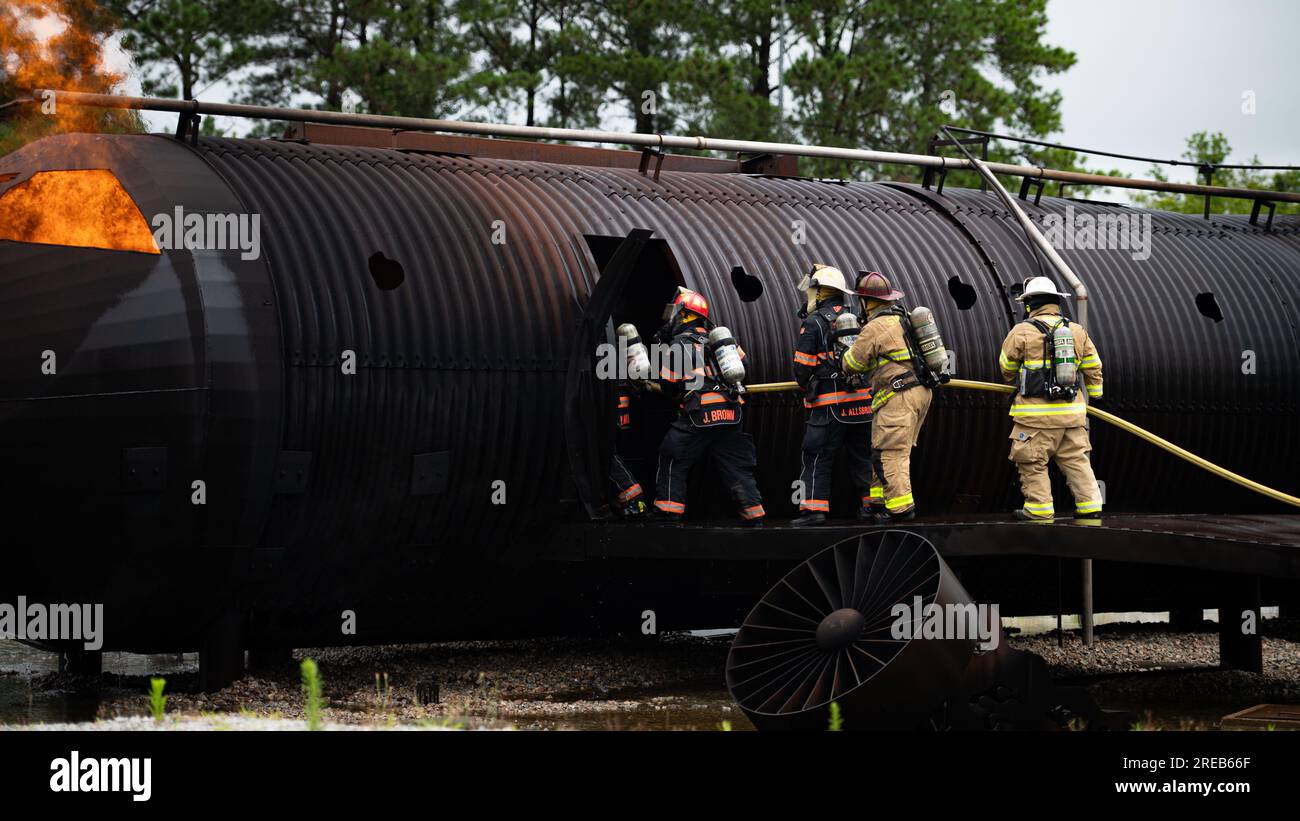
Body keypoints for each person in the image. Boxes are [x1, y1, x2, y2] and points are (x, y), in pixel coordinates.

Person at [651, 288, 765, 526]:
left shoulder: (679, 345)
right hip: (731, 413)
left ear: (683, 315)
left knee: (672, 455)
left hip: (699, 416)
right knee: (736, 465)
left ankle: (668, 512)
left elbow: (669, 388)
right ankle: (754, 515)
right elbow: (746, 368)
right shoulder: (720, 340)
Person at [998, 276, 1104, 521]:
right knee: (1077, 461)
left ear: (1030, 304)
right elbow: (1093, 367)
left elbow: (1006, 368)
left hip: (1035, 420)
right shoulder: (1076, 331)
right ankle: (1090, 506)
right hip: (1072, 416)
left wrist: (1015, 379)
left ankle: (1039, 509)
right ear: (1056, 302)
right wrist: (1096, 397)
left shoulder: (1022, 331)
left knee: (1032, 462)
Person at [790, 264, 879, 526]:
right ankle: (870, 508)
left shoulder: (814, 322)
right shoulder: (858, 319)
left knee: (817, 455)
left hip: (829, 406)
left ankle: (814, 511)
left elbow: (802, 369)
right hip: (863, 405)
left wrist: (807, 386)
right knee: (863, 457)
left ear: (820, 293)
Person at [842, 271, 931, 522]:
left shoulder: (875, 327)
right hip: (918, 392)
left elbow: (852, 364)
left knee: (891, 452)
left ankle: (901, 509)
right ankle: (878, 503)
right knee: (881, 449)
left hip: (899, 395)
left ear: (867, 302)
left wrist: (842, 349)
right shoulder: (905, 319)